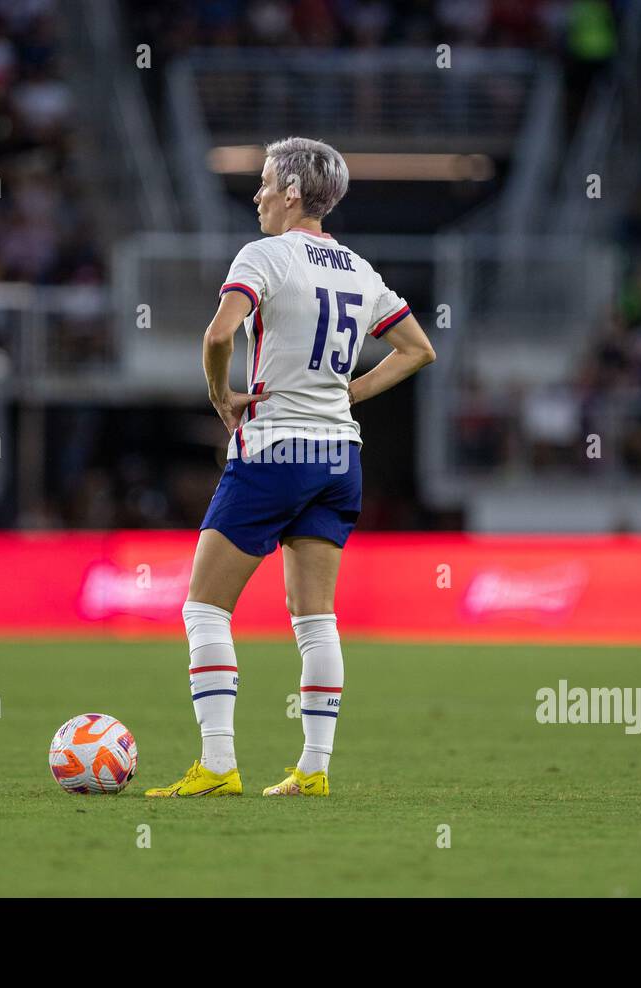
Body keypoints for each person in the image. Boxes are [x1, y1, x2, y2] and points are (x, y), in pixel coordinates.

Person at [145, 136, 436, 798]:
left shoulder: (265, 256)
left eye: (266, 182)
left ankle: (218, 764)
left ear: (294, 193)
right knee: (314, 619)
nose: (257, 195)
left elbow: (219, 334)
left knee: (205, 609)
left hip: (276, 447)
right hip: (339, 455)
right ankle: (314, 768)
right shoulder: (360, 270)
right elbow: (418, 349)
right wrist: (352, 392)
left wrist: (220, 394)